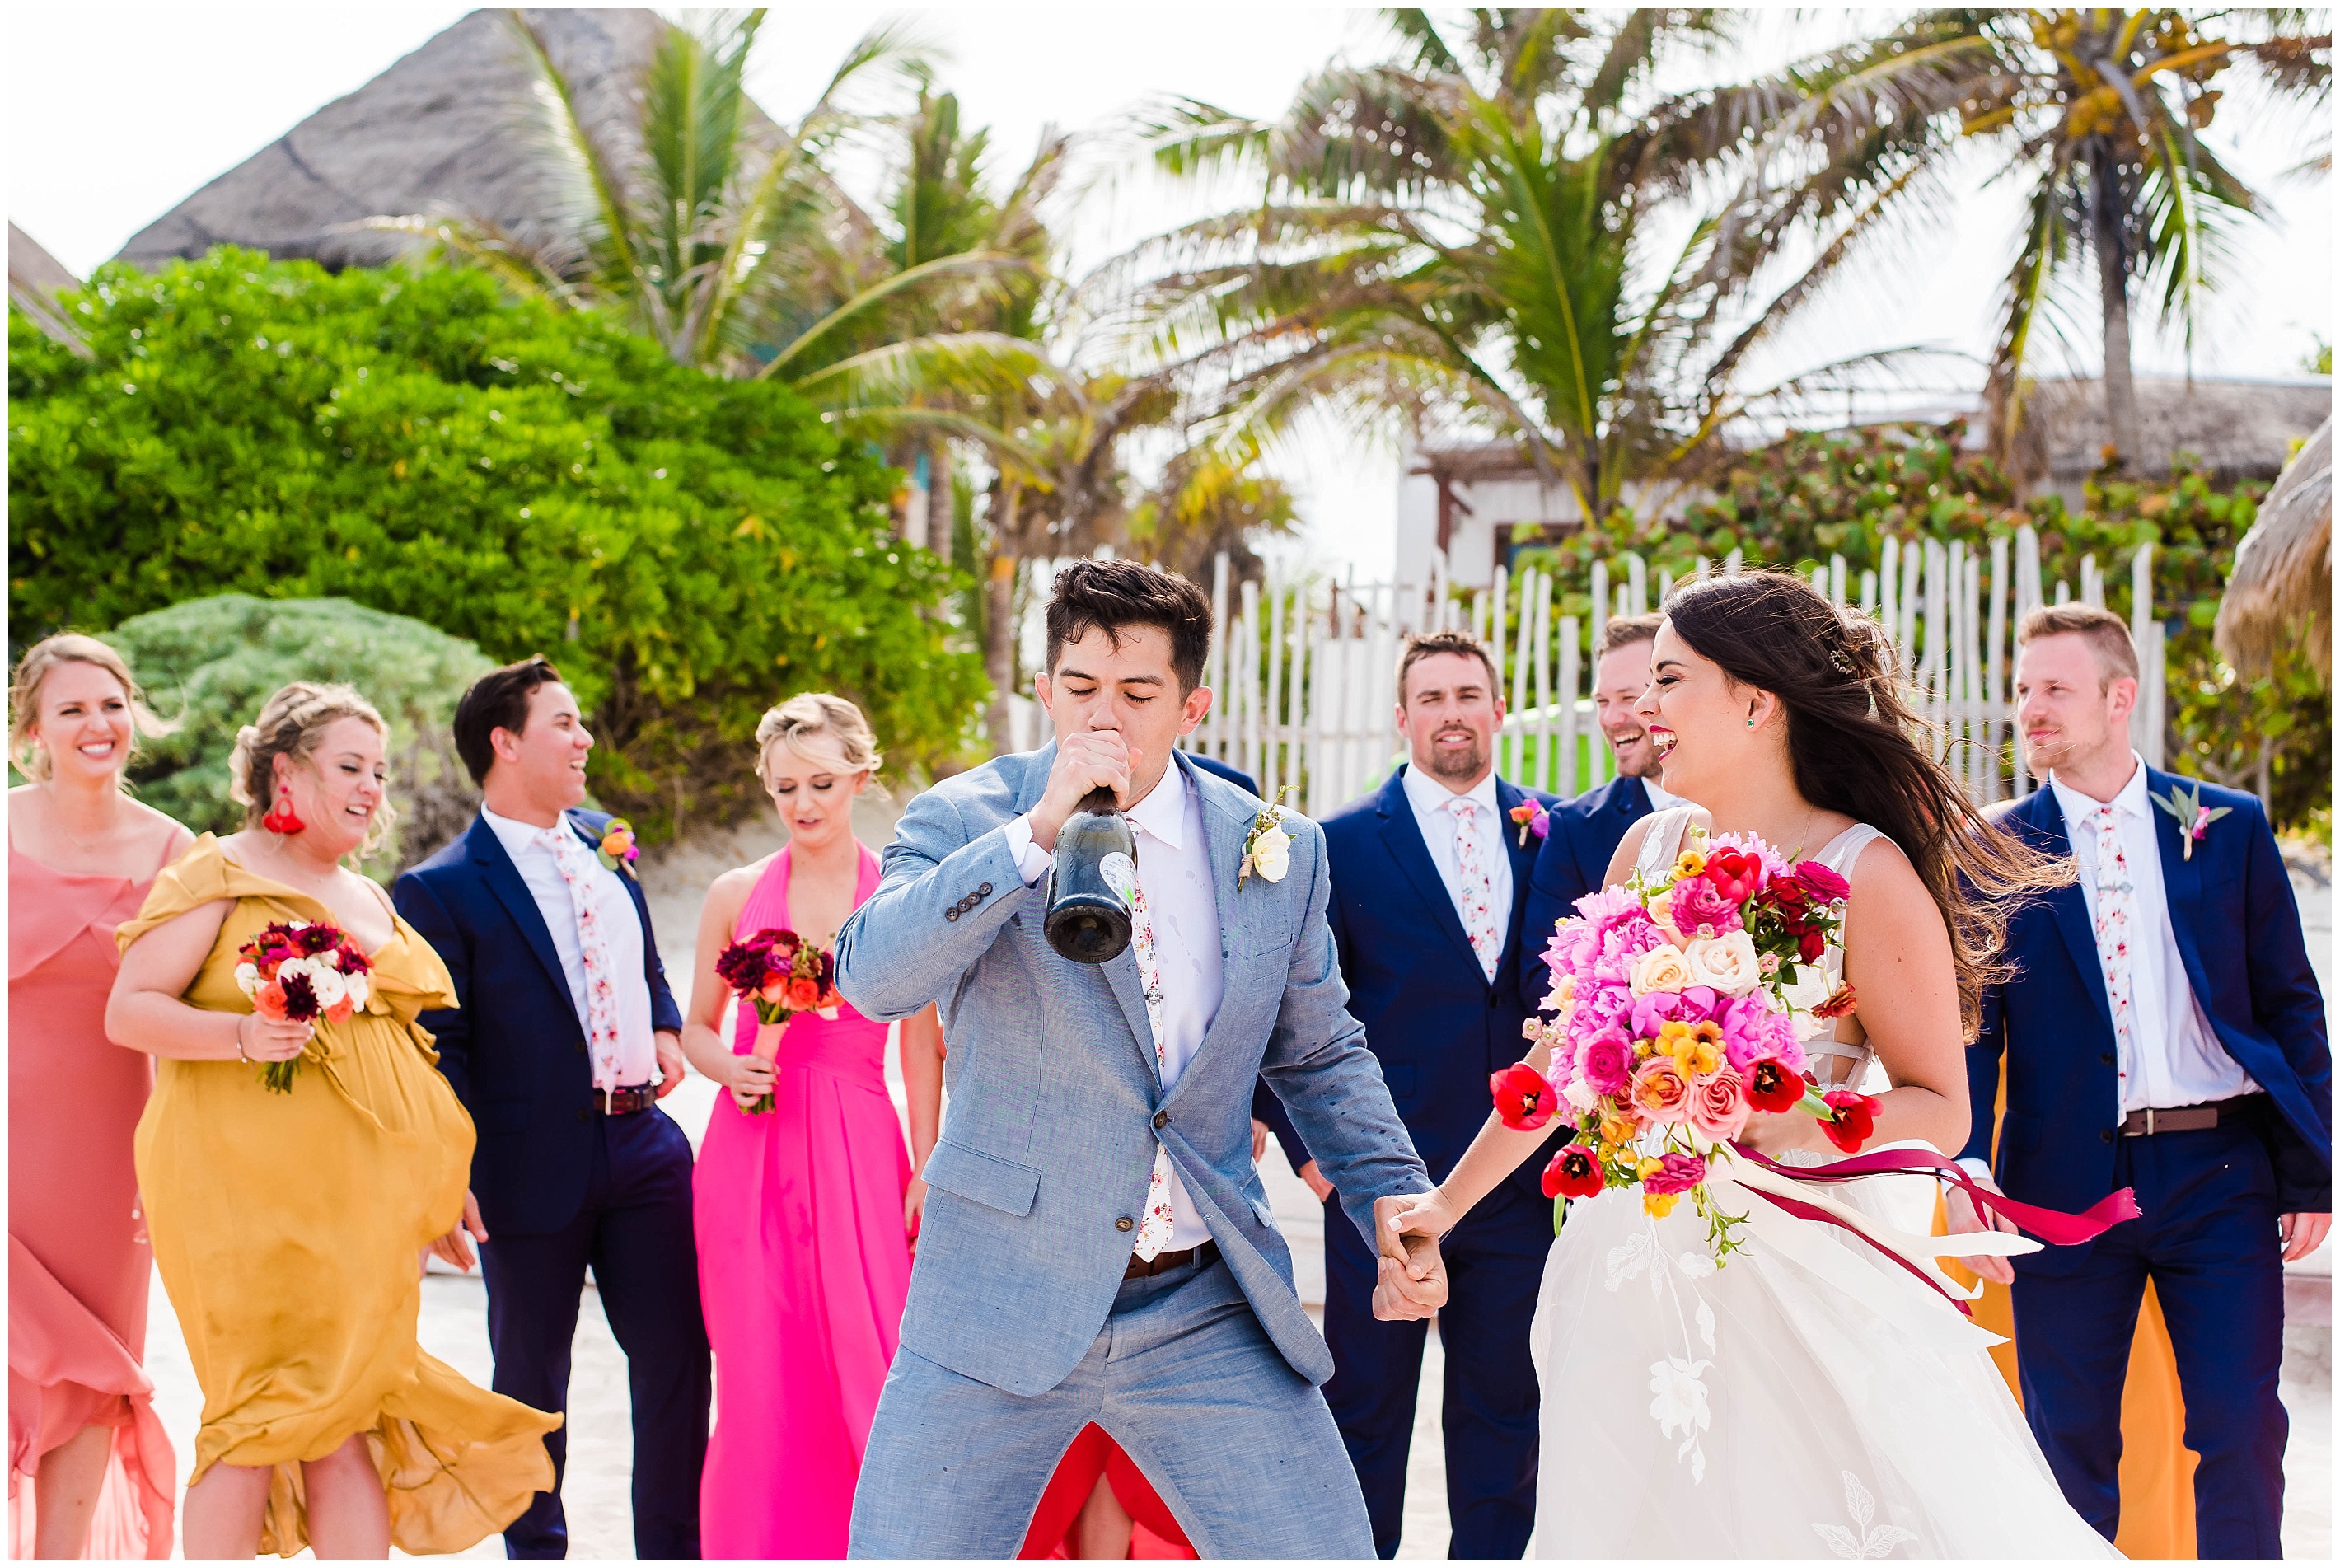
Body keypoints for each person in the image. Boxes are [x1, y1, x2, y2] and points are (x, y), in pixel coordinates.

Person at [1385, 570, 2122, 1557]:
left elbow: (1940, 1105)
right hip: (1631, 1266)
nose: (1641, 708)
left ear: (1754, 702)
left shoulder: (1865, 871)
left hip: (1797, 1271)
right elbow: (1560, 1065)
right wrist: (1441, 1206)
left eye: (1668, 680)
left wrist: (1785, 1118)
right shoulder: (1644, 850)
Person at [835, 559, 1448, 1558]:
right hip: (998, 1292)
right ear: (1044, 690)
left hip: (1205, 1299)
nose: (1102, 716)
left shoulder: (1276, 846)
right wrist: (1035, 835)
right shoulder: (963, 818)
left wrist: (1389, 1191)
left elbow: (1319, 1049)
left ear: (1191, 705)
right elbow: (870, 979)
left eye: (1136, 692)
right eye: (1080, 687)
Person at [107, 682, 558, 1558]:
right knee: (256, 1413)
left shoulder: (367, 897)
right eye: (351, 766)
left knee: (347, 1415)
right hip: (247, 1200)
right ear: (286, 771)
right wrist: (243, 1035)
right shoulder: (217, 872)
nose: (371, 788)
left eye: (379, 772)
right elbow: (130, 1010)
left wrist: (435, 1185)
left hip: (365, 1215)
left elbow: (406, 1056)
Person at [1948, 603, 2330, 1559]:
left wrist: (2309, 1173)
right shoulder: (1992, 847)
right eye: (2022, 689)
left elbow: (2289, 1003)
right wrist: (1964, 1166)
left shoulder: (2223, 826)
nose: (2029, 708)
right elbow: (1971, 1029)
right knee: (2067, 1438)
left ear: (2118, 699)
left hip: (2219, 1171)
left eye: (2054, 688)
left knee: (2239, 1425)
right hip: (2058, 1184)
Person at [393, 658, 709, 1560]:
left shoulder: (606, 838)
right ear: (505, 742)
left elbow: (640, 954)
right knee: (531, 1381)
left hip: (645, 1145)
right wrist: (449, 1172)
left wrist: (662, 1021)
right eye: (563, 724)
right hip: (522, 1165)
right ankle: (537, 1553)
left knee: (678, 1362)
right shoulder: (440, 887)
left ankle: (673, 1554)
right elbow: (441, 1048)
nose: (585, 739)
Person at [1299, 630, 1560, 1558]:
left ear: (1498, 710)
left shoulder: (1553, 832)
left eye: (1468, 694)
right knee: (1365, 1409)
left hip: (1517, 1181)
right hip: (1379, 1181)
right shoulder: (1337, 844)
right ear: (1401, 717)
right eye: (1432, 697)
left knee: (1504, 1415)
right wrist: (1318, 1161)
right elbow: (1291, 1011)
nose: (1452, 713)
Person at [679, 694, 944, 1559]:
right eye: (785, 786)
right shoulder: (732, 894)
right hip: (746, 1153)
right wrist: (729, 1067)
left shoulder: (897, 898)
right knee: (758, 1375)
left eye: (822, 783)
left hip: (858, 1150)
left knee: (871, 1360)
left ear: (861, 778)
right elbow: (695, 1030)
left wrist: (927, 1163)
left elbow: (921, 1046)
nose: (803, 803)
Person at [8, 636, 187, 1560]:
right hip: (10, 1145)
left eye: (112, 704)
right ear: (33, 729)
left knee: (91, 1373)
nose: (97, 724)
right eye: (72, 708)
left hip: (112, 1166)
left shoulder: (175, 851)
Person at [1519, 614, 1683, 1011]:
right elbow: (1541, 975)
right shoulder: (1577, 828)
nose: (1610, 719)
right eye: (1602, 702)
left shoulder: (1746, 805)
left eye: (1628, 698)